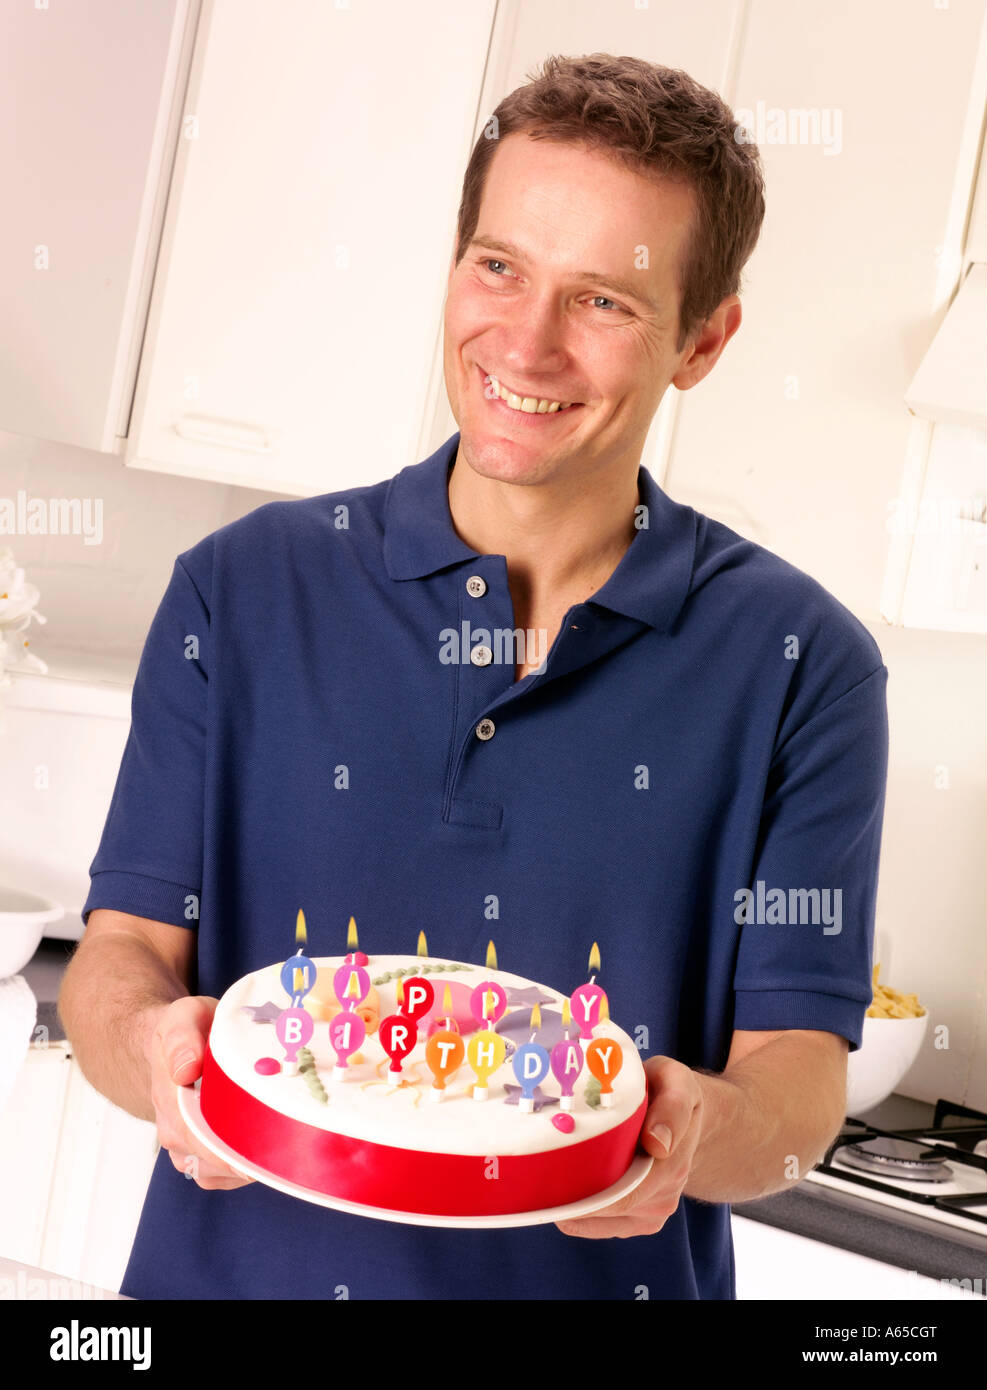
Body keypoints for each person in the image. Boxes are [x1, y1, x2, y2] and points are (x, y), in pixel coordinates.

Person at [59, 54, 888, 1299]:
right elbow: (121, 949)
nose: (528, 342)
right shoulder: (240, 593)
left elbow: (799, 1077)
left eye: (604, 300)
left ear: (703, 340)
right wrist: (145, 1040)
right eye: (499, 266)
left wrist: (692, 1127)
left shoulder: (802, 665)